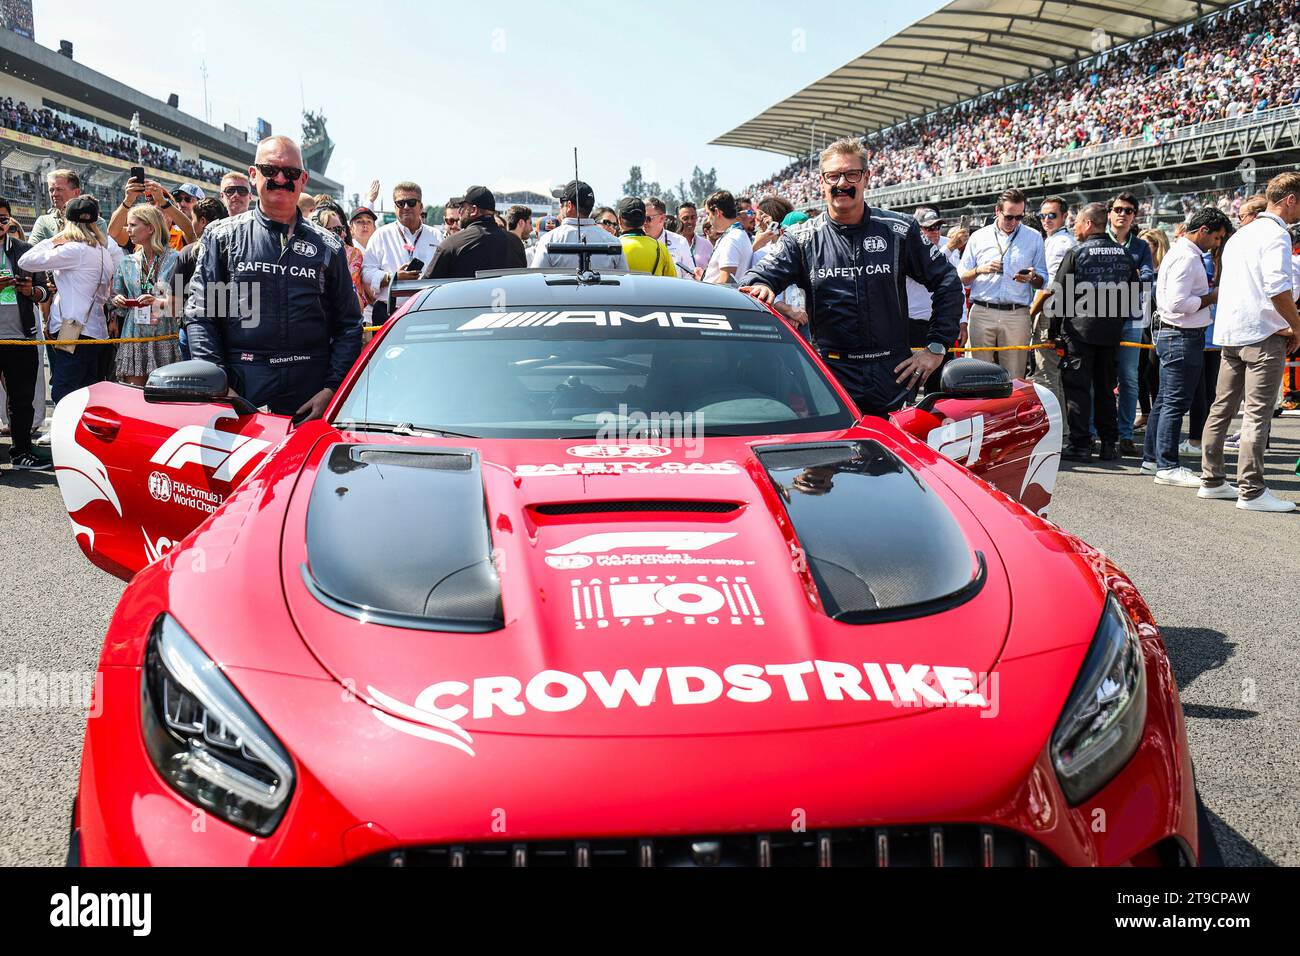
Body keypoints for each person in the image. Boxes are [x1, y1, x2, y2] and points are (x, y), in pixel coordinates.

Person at [739, 138, 962, 417]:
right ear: (822, 181)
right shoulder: (802, 238)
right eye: (833, 175)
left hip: (893, 376)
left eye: (851, 174)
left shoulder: (899, 231)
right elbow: (754, 279)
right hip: (831, 378)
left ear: (866, 178)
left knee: (893, 458)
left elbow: (948, 282)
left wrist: (937, 346)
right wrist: (761, 286)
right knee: (829, 460)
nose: (841, 183)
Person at [184, 135, 362, 420]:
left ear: (303, 179)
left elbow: (350, 324)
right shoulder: (222, 237)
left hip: (310, 388)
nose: (280, 178)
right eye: (270, 170)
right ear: (253, 175)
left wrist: (331, 388)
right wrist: (219, 385)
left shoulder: (329, 246)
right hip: (242, 384)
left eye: (290, 173)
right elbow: (202, 316)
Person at [1200, 172, 1300, 512]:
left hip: (1232, 333)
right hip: (1262, 334)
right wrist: (1296, 326)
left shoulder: (1241, 235)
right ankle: (1252, 490)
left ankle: (1212, 480)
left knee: (1221, 409)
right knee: (1257, 414)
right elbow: (1278, 289)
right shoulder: (1276, 235)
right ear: (1290, 200)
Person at [1140, 208, 1230, 487]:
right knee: (1174, 403)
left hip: (1177, 334)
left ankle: (1153, 459)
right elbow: (1179, 303)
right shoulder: (1187, 257)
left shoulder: (1182, 253)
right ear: (1202, 231)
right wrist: (1211, 297)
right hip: (1181, 335)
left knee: (1167, 400)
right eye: (1216, 237)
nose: (1216, 243)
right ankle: (1166, 465)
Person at [1047, 202, 1140, 463]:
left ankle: (1080, 444)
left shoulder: (1077, 253)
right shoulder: (1125, 254)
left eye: (1077, 221)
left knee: (1078, 389)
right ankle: (1109, 444)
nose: (1075, 226)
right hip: (1111, 332)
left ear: (1088, 224)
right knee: (1106, 388)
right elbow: (1134, 296)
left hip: (1079, 331)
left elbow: (1060, 295)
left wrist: (1054, 333)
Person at [19, 195, 123, 404]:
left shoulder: (74, 249)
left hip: (75, 330)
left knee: (64, 393)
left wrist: (53, 240)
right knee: (88, 394)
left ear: (68, 221)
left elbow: (26, 260)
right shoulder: (103, 251)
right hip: (96, 330)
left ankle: (66, 435)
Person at [959, 188, 1047, 380]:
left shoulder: (1033, 237)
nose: (1014, 222)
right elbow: (961, 276)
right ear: (997, 211)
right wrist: (979, 270)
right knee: (976, 374)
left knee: (1015, 377)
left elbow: (1043, 279)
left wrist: (1032, 277)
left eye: (1019, 217)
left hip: (1017, 313)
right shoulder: (978, 237)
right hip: (982, 311)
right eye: (1009, 217)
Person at [0, 197, 51, 470]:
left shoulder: (24, 250)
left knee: (22, 399)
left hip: (21, 335)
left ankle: (21, 451)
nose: (0, 224)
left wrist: (32, 292)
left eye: (3, 219)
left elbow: (45, 290)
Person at [1106, 192, 1156, 456]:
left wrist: (1119, 276)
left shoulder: (1141, 246)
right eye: (1117, 209)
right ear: (1109, 213)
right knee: (1100, 377)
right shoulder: (1100, 241)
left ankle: (1125, 434)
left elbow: (1147, 277)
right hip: (1100, 316)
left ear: (1134, 215)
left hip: (1132, 318)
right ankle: (1098, 431)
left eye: (1128, 210)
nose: (1122, 214)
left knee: (1129, 377)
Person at [110, 204, 181, 386]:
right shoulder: (127, 262)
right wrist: (118, 300)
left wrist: (158, 302)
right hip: (135, 333)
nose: (128, 230)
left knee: (165, 392)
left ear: (150, 228)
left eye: (133, 225)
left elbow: (184, 302)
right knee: (134, 392)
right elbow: (116, 293)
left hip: (165, 332)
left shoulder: (176, 259)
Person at [361, 181, 441, 306]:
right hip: (389, 309)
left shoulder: (436, 235)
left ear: (421, 206)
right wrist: (392, 277)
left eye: (411, 202)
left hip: (426, 308)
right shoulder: (381, 235)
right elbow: (366, 273)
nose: (406, 207)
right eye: (400, 203)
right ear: (394, 207)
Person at [422, 186, 527, 279]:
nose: (459, 212)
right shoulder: (516, 243)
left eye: (462, 207)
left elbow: (427, 285)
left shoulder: (452, 244)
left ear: (473, 210)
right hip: (508, 301)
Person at [530, 181, 626, 271]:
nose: (560, 205)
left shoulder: (548, 240)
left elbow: (536, 280)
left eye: (562, 201)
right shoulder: (614, 242)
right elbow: (624, 281)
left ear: (569, 205)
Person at [310, 205, 368, 311]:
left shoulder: (349, 256)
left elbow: (358, 306)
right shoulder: (302, 261)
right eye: (338, 229)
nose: (344, 234)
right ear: (320, 231)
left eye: (343, 228)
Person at [28, 169, 107, 244]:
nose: (54, 194)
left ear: (76, 192)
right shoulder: (44, 222)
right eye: (51, 190)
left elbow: (96, 253)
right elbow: (30, 252)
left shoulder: (96, 222)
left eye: (59, 189)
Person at [615, 197, 677, 276]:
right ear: (644, 220)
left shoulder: (613, 247)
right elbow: (672, 281)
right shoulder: (660, 248)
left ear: (620, 220)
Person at [701, 190, 752, 285]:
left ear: (717, 212)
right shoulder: (737, 234)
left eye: (708, 214)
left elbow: (726, 281)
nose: (708, 220)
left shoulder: (731, 239)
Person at [643, 196, 692, 276]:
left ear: (662, 218)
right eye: (642, 218)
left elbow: (689, 276)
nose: (644, 223)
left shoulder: (679, 241)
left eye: (648, 219)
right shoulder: (636, 241)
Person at [677, 201, 712, 279]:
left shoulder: (706, 245)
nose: (690, 221)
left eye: (693, 217)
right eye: (685, 218)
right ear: (678, 219)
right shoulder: (672, 244)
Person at [169, 184, 205, 249]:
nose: (182, 204)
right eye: (178, 199)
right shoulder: (169, 229)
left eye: (188, 199)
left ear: (200, 203)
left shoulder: (207, 232)